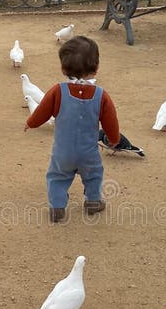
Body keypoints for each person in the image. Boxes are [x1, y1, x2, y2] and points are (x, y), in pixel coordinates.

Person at [24, 35, 120, 223]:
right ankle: (93, 202)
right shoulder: (102, 96)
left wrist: (31, 122)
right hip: (88, 152)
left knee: (57, 177)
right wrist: (114, 139)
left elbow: (42, 112)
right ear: (97, 67)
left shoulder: (58, 91)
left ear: (63, 68)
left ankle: (57, 208)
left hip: (63, 152)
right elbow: (111, 122)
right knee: (94, 175)